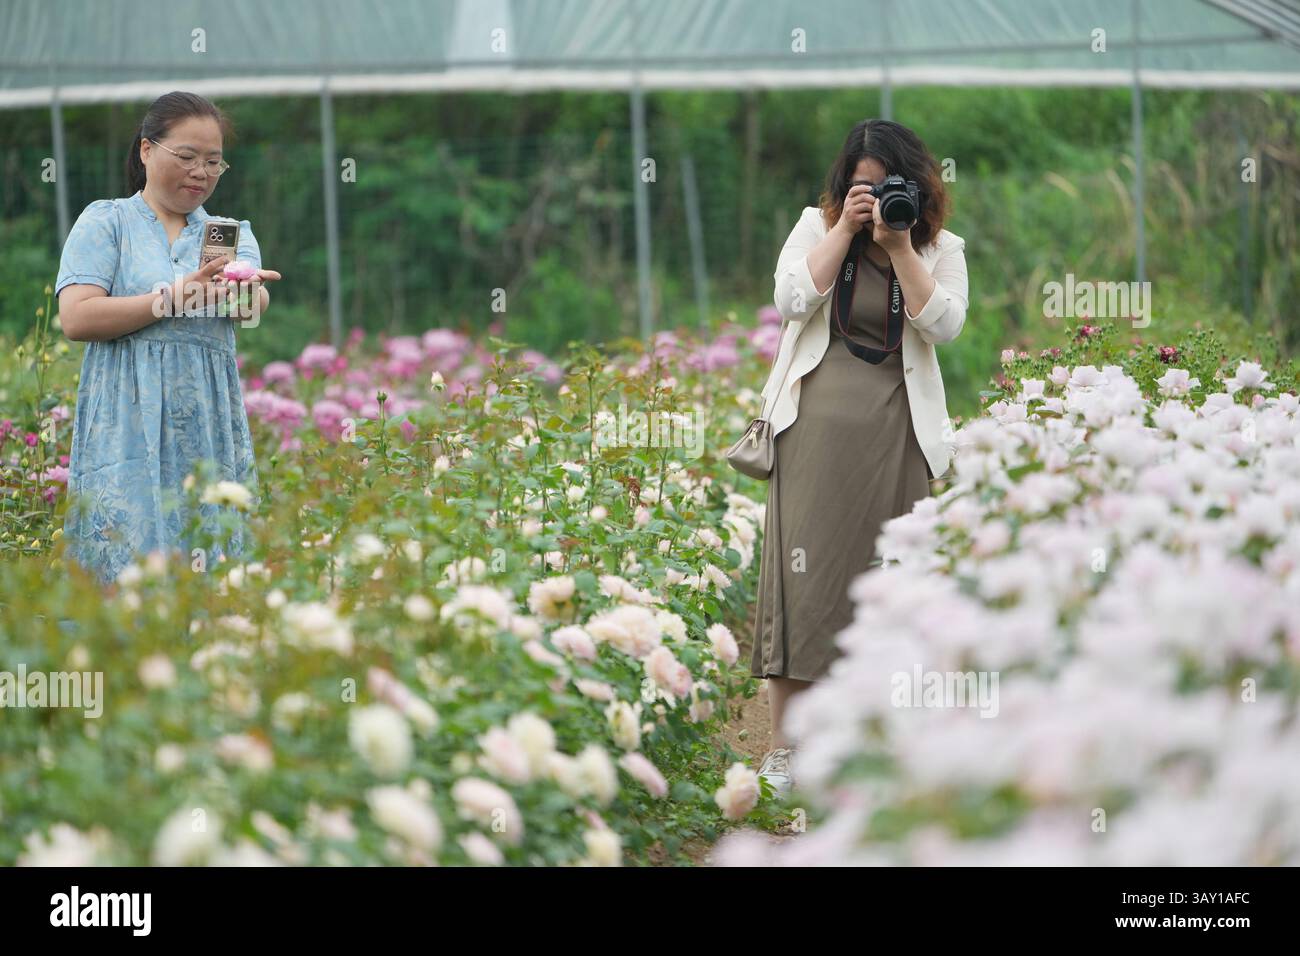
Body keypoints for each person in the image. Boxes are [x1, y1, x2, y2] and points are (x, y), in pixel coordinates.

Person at [750, 118, 969, 796]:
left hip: (898, 436)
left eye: (886, 187)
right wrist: (844, 231)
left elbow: (946, 326)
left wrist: (900, 247)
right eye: (860, 187)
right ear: (842, 186)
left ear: (919, 186)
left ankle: (886, 748)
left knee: (894, 584)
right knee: (804, 585)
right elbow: (789, 300)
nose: (872, 198)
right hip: (811, 433)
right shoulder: (816, 229)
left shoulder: (940, 248)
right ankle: (785, 752)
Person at [54, 91, 281, 586]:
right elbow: (77, 317)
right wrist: (173, 298)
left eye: (214, 162)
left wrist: (248, 292)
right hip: (125, 426)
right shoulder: (106, 222)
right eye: (187, 156)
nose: (200, 172)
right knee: (126, 562)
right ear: (146, 150)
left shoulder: (227, 233)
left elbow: (250, 309)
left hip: (207, 425)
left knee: (210, 552)